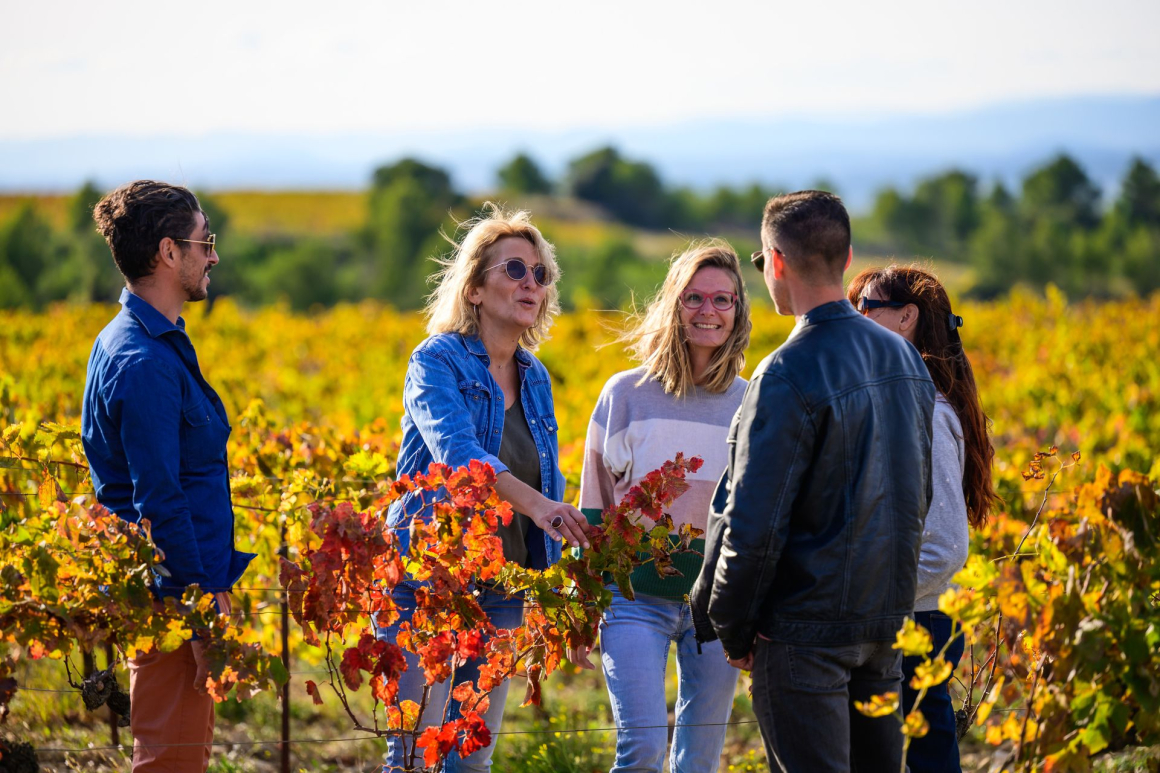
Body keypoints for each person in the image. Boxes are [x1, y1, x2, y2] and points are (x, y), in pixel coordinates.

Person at [690, 191, 936, 773]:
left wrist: (734, 625)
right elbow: (916, 496)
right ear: (847, 258)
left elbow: (753, 523)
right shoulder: (907, 361)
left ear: (774, 261)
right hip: (884, 627)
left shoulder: (786, 371)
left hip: (802, 635)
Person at [376, 204, 590, 773]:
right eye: (514, 269)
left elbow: (547, 472)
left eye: (541, 274)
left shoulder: (535, 374)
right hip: (427, 580)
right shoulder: (436, 360)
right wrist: (543, 506)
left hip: (502, 587)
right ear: (473, 287)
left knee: (471, 761)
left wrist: (558, 583)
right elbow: (461, 457)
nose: (531, 283)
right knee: (415, 757)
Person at [82, 180, 255, 772]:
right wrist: (202, 612)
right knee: (168, 763)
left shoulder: (146, 343)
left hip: (176, 592)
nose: (213, 255)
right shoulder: (144, 363)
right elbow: (158, 500)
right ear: (168, 252)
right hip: (173, 603)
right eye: (205, 242)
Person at [571, 241, 751, 773]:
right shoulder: (625, 394)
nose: (708, 311)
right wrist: (583, 603)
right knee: (642, 751)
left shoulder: (750, 400)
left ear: (738, 311)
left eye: (723, 300)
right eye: (694, 298)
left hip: (716, 608)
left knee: (698, 762)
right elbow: (596, 506)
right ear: (673, 304)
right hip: (633, 598)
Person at [847, 265, 996, 773]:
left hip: (917, 620)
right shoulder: (900, 403)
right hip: (907, 615)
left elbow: (946, 546)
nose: (853, 316)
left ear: (906, 317)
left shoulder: (927, 412)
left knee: (924, 758)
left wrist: (867, 597)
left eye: (865, 307)